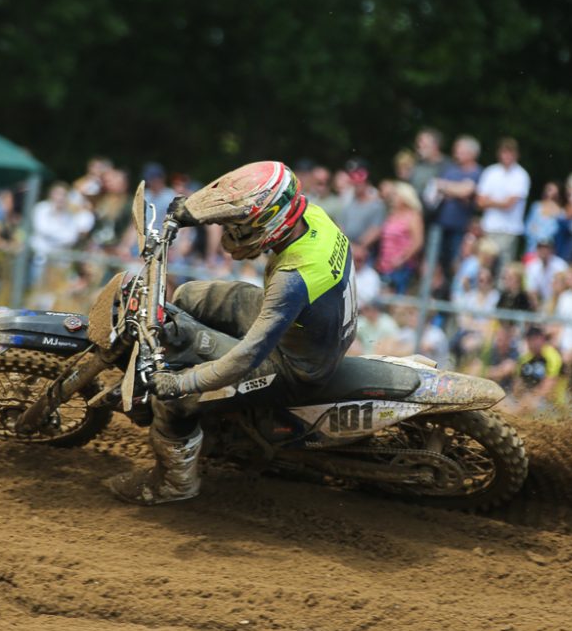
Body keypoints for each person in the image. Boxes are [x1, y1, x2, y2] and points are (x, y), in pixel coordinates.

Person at [107, 161, 357, 505]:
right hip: (310, 328)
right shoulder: (311, 216)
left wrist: (182, 383)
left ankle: (175, 484)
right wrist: (194, 212)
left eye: (238, 227)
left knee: (173, 400)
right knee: (191, 296)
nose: (231, 232)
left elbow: (246, 357)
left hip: (294, 365)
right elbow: (245, 201)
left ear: (268, 224)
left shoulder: (294, 279)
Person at [429, 135, 482, 275]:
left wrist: (448, 188)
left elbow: (466, 191)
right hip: (441, 223)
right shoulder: (451, 170)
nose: (456, 153)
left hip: (461, 227)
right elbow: (438, 188)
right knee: (437, 262)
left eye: (460, 150)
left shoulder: (477, 172)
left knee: (456, 263)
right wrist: (457, 189)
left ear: (472, 153)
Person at [476, 137, 531, 267]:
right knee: (484, 266)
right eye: (504, 152)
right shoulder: (490, 172)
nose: (507, 156)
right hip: (489, 227)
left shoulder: (521, 175)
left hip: (509, 230)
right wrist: (501, 202)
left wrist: (490, 201)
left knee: (504, 268)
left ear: (516, 155)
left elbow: (509, 205)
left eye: (510, 153)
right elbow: (480, 202)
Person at [375, 181, 424, 293]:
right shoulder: (392, 215)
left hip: (402, 267)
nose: (392, 198)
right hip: (385, 265)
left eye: (395, 195)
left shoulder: (413, 216)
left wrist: (402, 259)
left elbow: (418, 242)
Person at [523, 182, 565, 255]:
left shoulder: (560, 212)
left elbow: (556, 231)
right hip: (533, 247)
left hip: (549, 249)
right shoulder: (536, 206)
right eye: (549, 189)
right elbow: (528, 227)